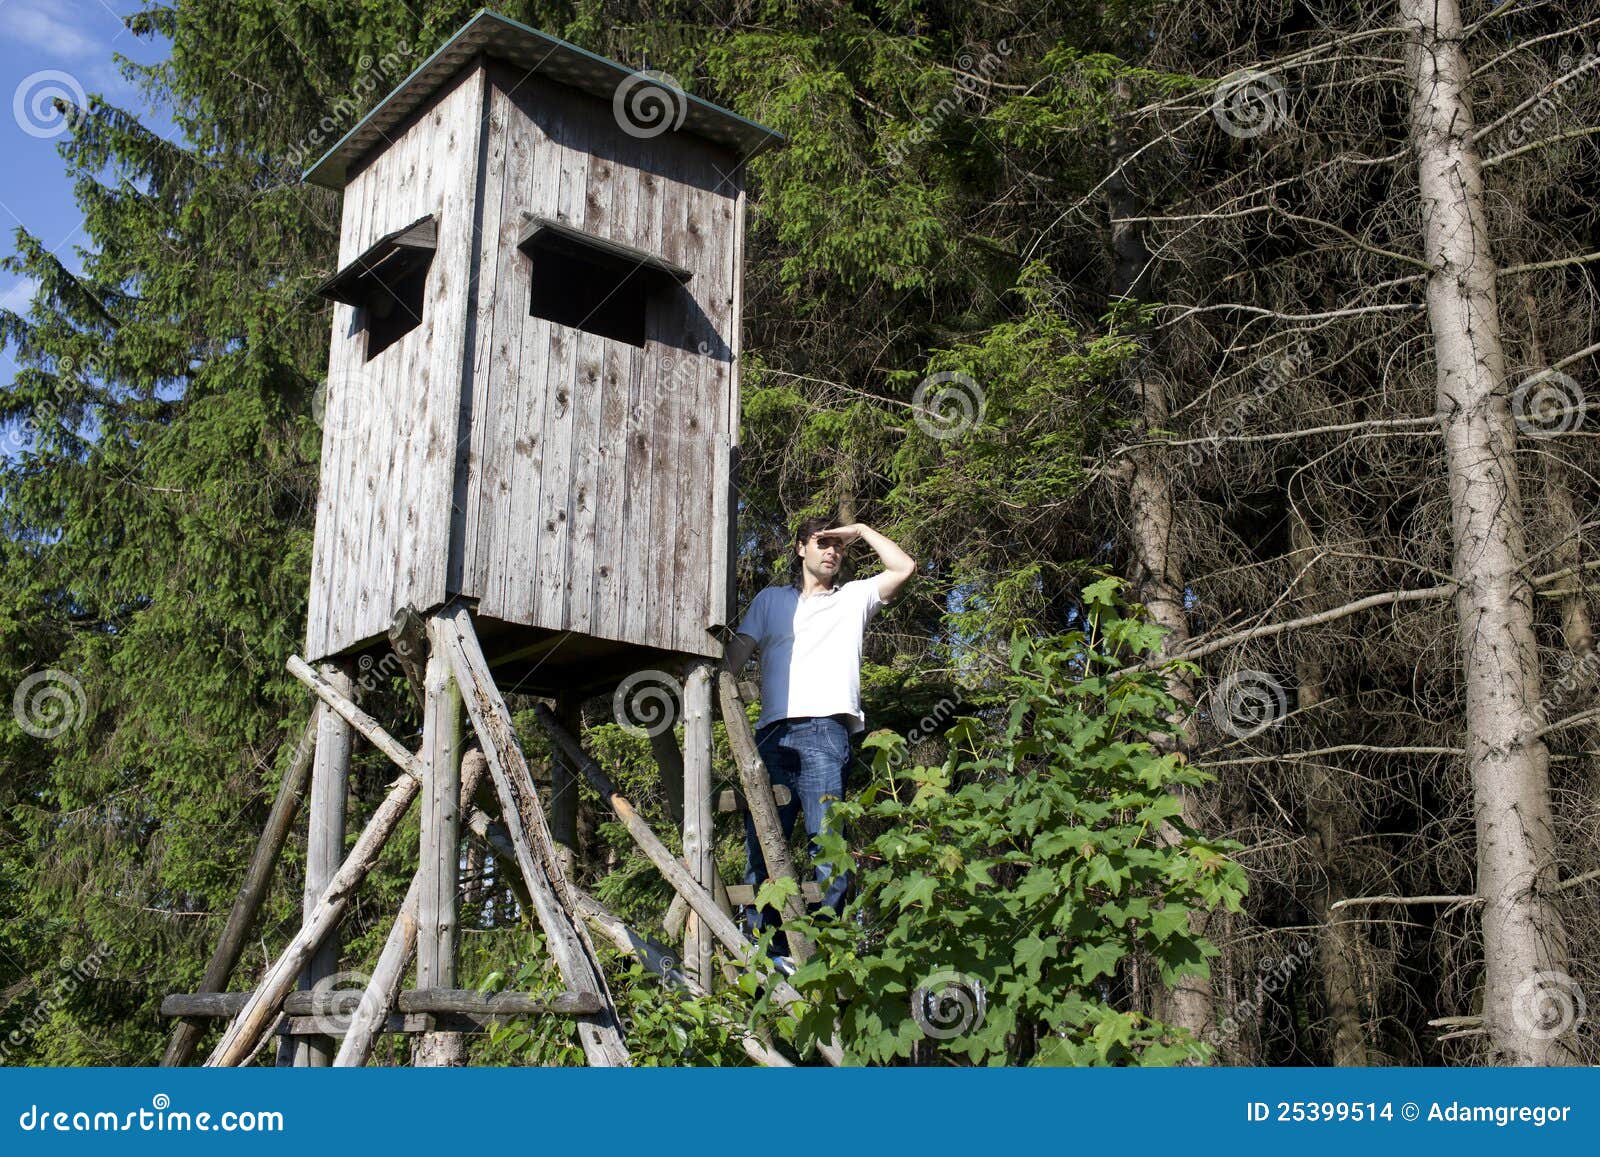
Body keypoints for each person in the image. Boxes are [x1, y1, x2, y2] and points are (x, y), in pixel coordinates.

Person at [722, 515, 915, 960]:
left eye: (838, 546)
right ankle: (767, 954)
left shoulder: (853, 598)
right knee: (763, 848)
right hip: (772, 735)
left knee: (827, 849)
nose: (832, 551)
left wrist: (863, 530)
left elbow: (903, 567)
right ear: (799, 549)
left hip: (827, 731)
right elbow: (733, 660)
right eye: (822, 542)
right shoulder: (771, 601)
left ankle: (824, 953)